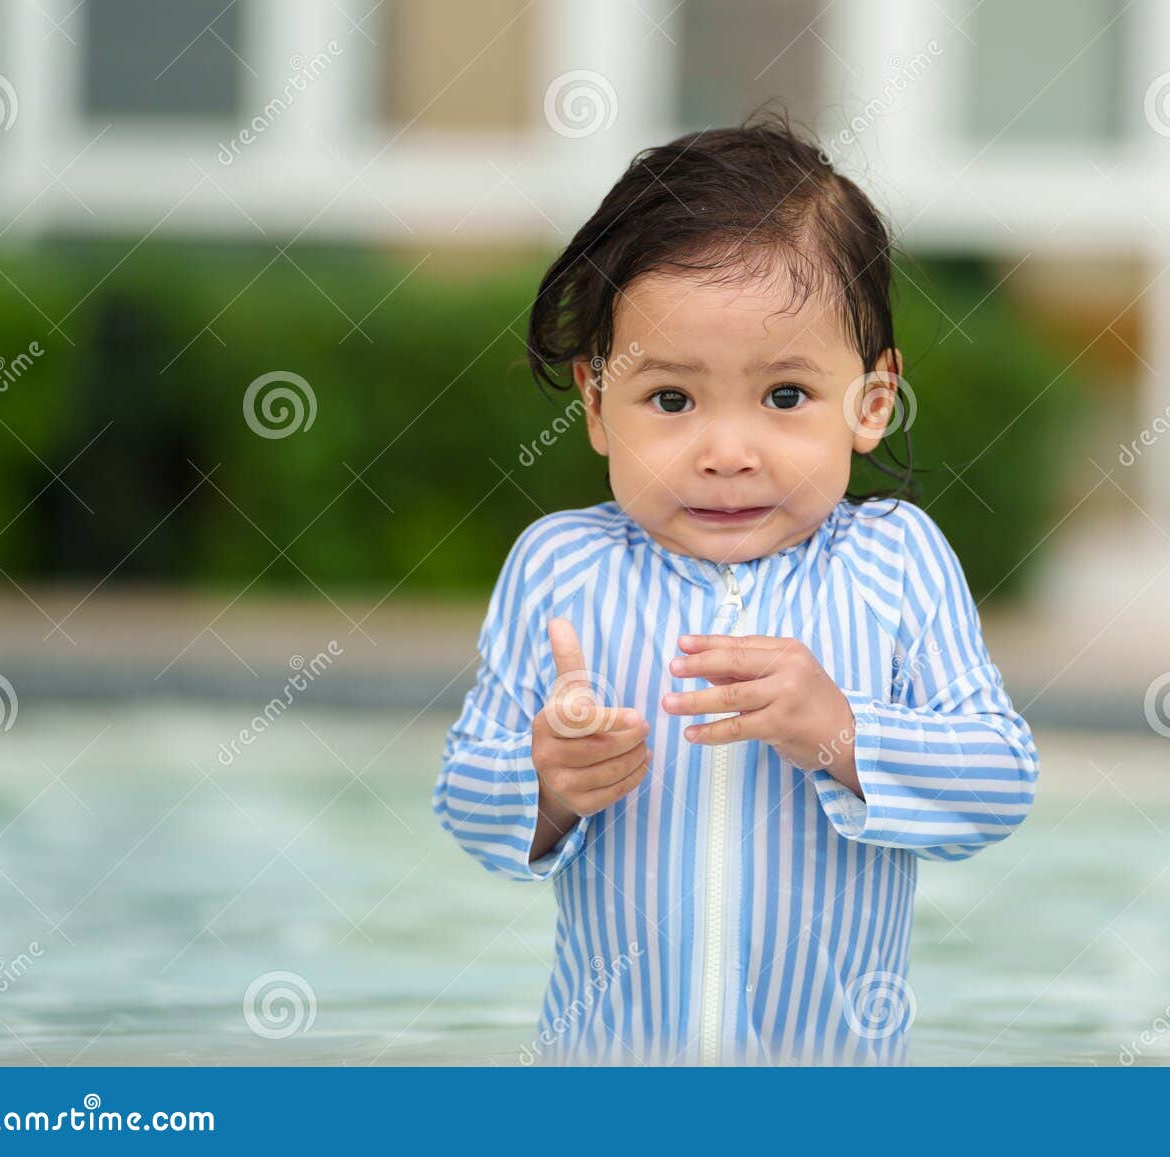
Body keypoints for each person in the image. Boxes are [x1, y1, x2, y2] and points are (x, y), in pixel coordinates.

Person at [433, 111, 1040, 1065]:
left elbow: (999, 782)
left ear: (871, 403)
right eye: (670, 399)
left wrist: (843, 731)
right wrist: (546, 783)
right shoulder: (560, 569)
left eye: (785, 396)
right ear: (597, 405)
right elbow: (466, 798)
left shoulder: (895, 560)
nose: (725, 454)